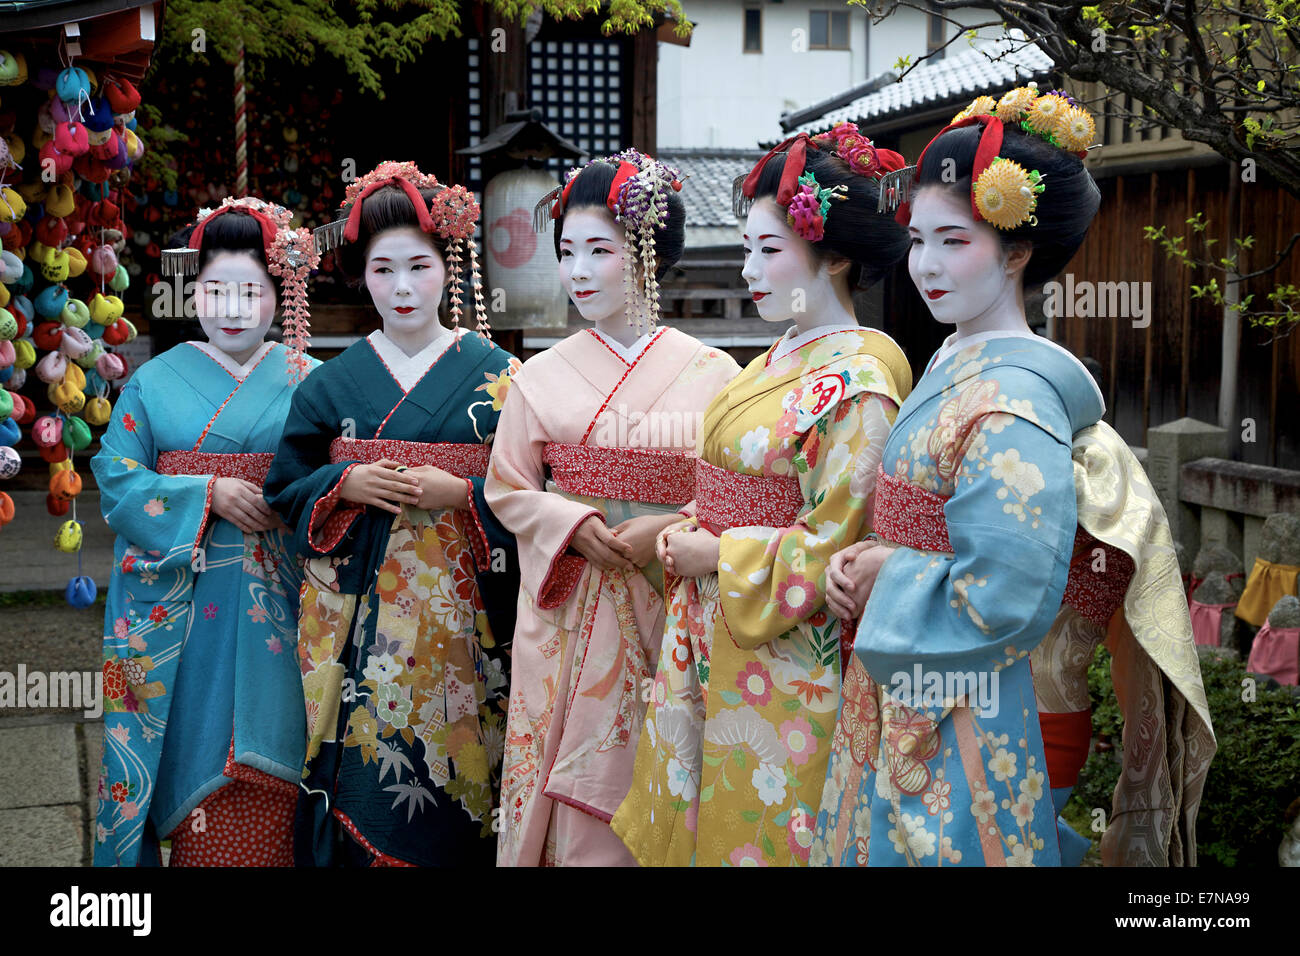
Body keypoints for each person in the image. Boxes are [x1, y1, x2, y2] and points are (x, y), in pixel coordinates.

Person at [813, 87, 1214, 867]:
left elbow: (1003, 594)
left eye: (954, 241)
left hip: (974, 706)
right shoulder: (954, 360)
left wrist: (889, 571)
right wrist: (857, 563)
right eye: (919, 239)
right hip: (913, 684)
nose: (926, 264)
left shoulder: (1017, 402)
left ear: (1018, 251)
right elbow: (918, 523)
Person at [611, 125, 914, 866]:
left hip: (786, 653)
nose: (750, 269)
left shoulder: (863, 383)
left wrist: (720, 549)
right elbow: (728, 487)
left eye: (769, 251)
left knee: (769, 822)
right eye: (746, 247)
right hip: (714, 620)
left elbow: (840, 544)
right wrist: (691, 530)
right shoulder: (779, 356)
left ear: (835, 255)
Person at [487, 150, 740, 866]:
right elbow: (507, 486)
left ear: (648, 253)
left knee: (666, 769)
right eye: (567, 252)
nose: (579, 271)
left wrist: (676, 521)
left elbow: (738, 492)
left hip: (673, 594)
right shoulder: (537, 376)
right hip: (569, 605)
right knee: (564, 785)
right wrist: (569, 524)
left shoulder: (716, 375)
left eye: (600, 249)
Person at [264, 161, 519, 867]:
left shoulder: (500, 374)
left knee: (463, 774)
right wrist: (342, 483)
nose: (402, 288)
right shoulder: (332, 379)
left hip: (465, 624)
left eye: (418, 266)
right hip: (357, 626)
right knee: (360, 777)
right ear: (360, 276)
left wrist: (464, 494)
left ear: (448, 266)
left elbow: (531, 494)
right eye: (382, 270)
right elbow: (285, 485)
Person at [93, 197, 320, 866]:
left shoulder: (312, 381)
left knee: (288, 751)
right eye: (214, 289)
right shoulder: (153, 381)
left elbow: (340, 479)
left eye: (250, 291)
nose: (231, 307)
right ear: (193, 292)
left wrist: (297, 496)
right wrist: (207, 494)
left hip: (284, 601)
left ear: (280, 296)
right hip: (181, 607)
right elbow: (116, 476)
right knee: (187, 754)